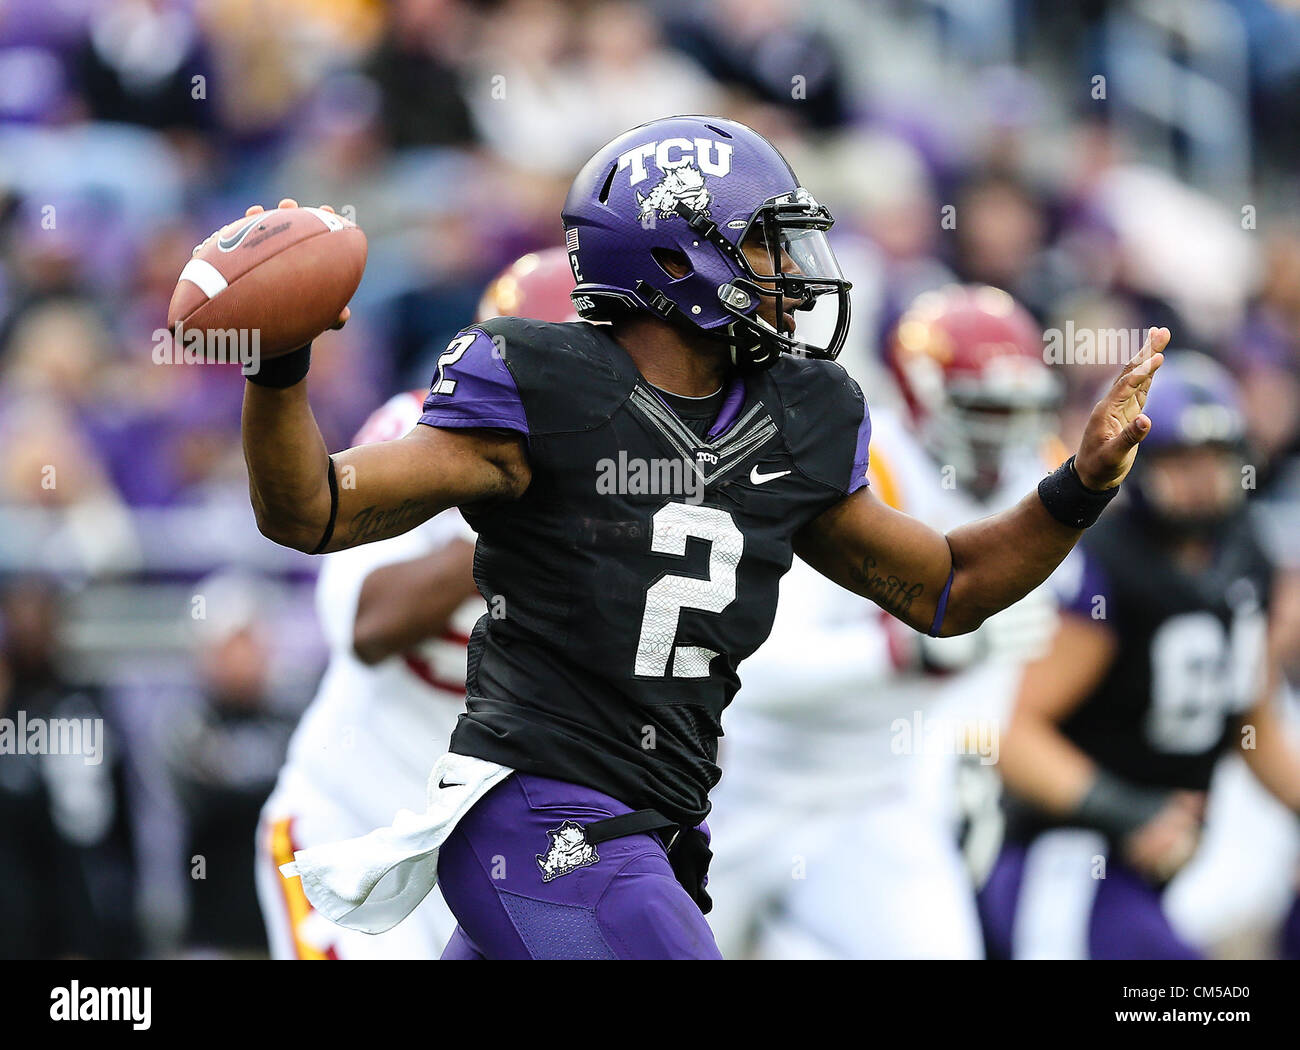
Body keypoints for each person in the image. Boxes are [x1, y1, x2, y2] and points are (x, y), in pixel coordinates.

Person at [242, 115, 1166, 960]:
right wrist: (279, 366)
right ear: (679, 258)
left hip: (657, 825)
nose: (795, 266)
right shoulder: (544, 384)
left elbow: (949, 586)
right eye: (767, 240)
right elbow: (312, 509)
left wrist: (1078, 488)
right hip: (536, 813)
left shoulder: (799, 416)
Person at [706, 284, 1065, 958]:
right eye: (984, 406)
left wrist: (966, 764)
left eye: (1018, 410)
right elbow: (754, 668)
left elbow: (1000, 659)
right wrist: (906, 651)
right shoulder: (860, 465)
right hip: (739, 783)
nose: (1002, 433)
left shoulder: (1035, 480)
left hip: (875, 793)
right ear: (922, 394)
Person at [254, 249, 577, 959]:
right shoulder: (422, 432)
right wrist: (512, 525)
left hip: (516, 862)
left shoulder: (648, 482)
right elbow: (365, 624)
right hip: (357, 837)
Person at [979, 352, 1300, 959]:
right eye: (1181, 461)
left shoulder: (1243, 553)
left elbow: (1249, 718)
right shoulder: (1111, 563)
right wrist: (1127, 811)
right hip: (1067, 858)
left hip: (1159, 864)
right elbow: (1012, 735)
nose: (1201, 478)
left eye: (1214, 459)